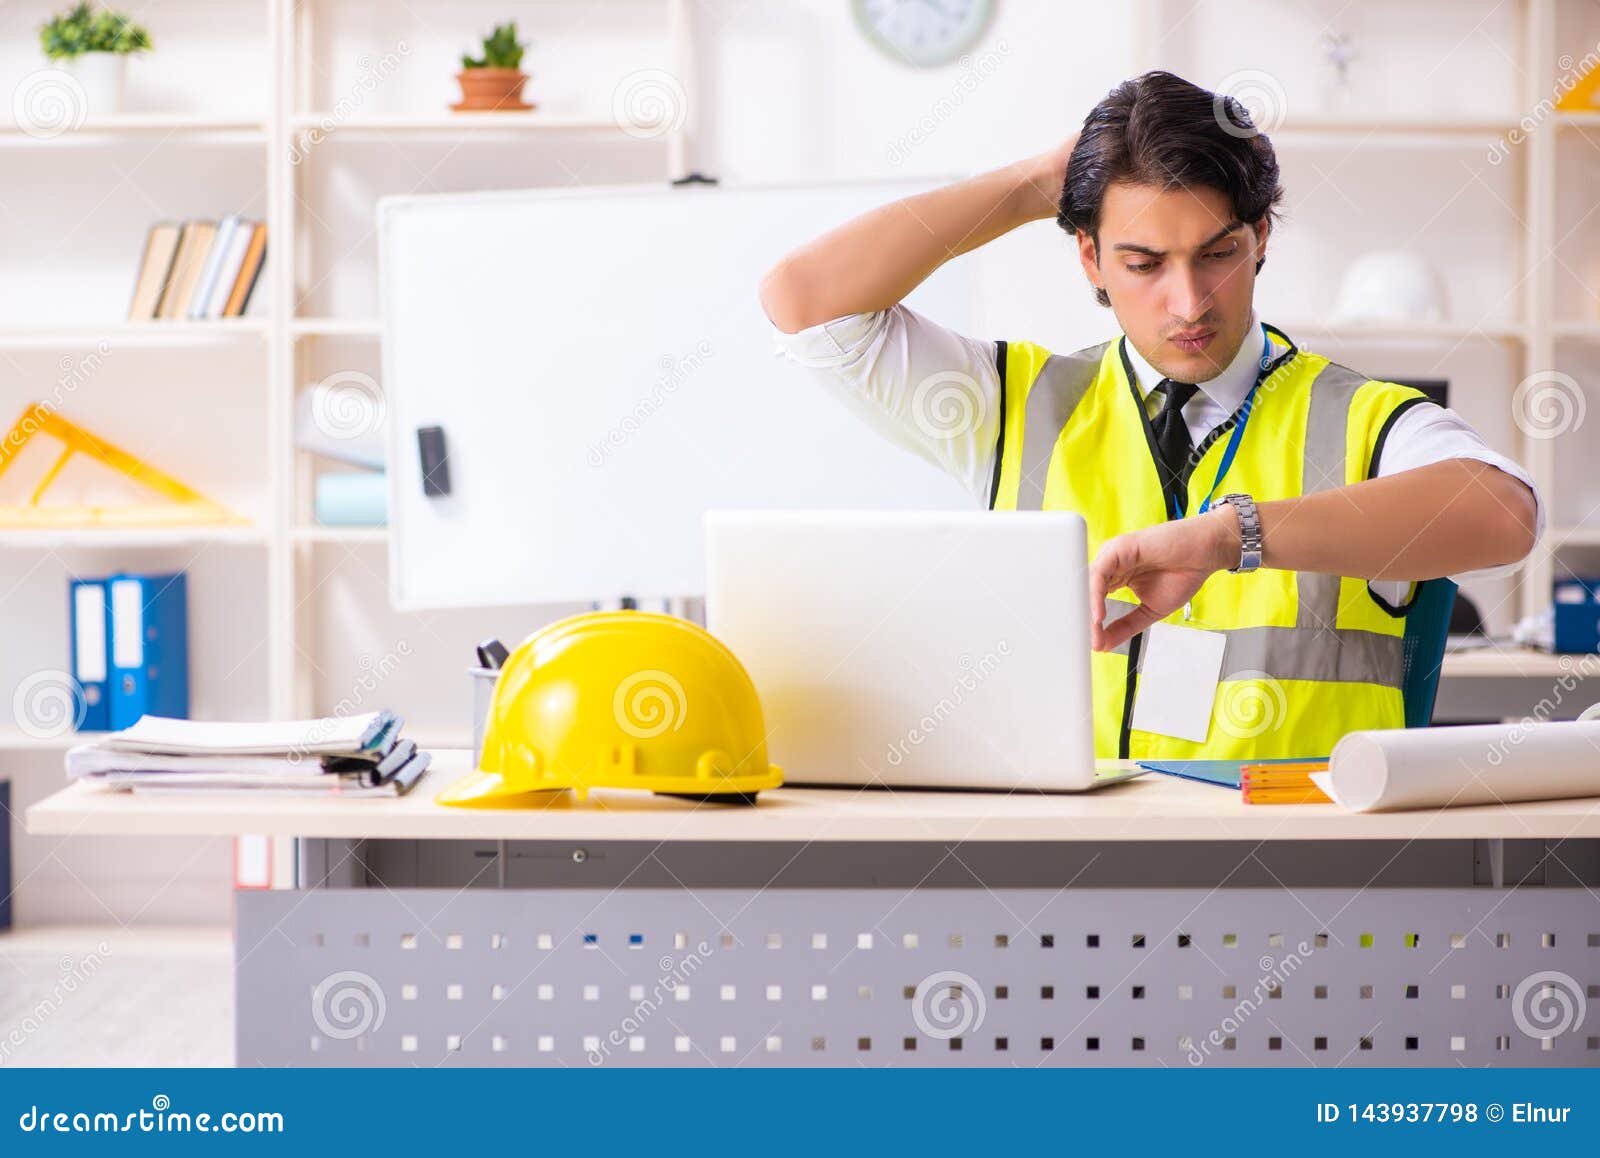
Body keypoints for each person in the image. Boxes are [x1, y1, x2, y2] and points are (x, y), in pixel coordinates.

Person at [758, 70, 1540, 761]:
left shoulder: (1364, 420)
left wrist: (1230, 536)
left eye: (1217, 253)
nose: (1189, 302)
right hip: (1065, 884)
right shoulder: (1009, 404)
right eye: (1143, 264)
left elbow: (1504, 514)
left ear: (1261, 237)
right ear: (1091, 259)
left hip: (1303, 882)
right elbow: (804, 303)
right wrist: (1037, 184)